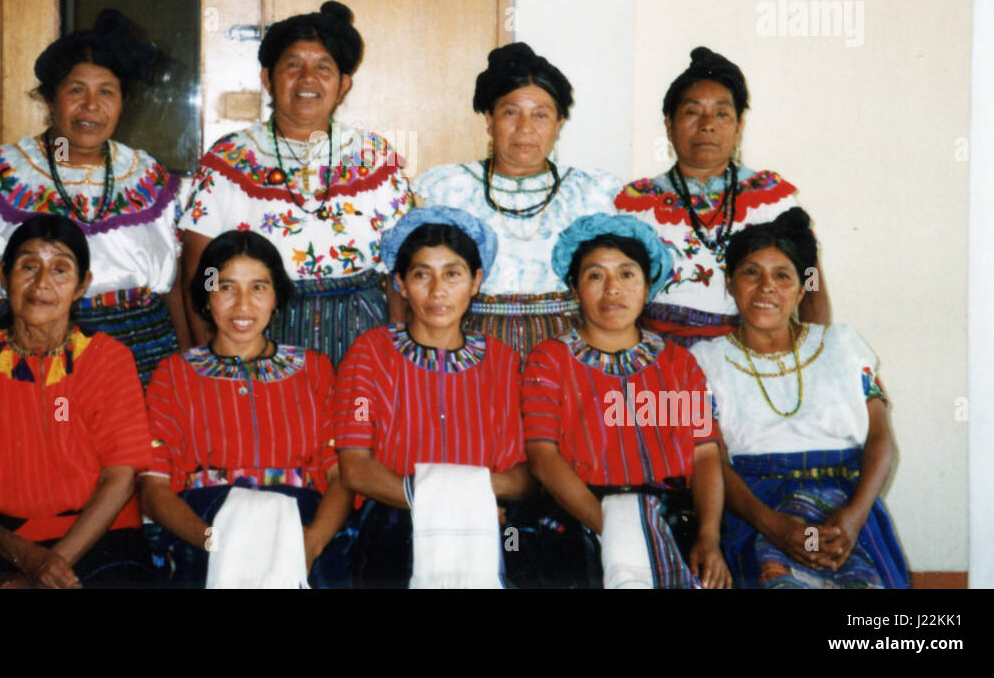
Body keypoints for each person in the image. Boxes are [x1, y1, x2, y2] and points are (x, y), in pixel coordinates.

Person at [0, 9, 189, 386]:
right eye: (76, 90)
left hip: (143, 359)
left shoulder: (149, 178)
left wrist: (189, 370)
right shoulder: (4, 174)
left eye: (106, 92)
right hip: (33, 352)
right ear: (49, 99)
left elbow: (176, 285)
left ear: (123, 101)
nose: (91, 106)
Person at [0, 215, 154, 588]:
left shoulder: (110, 360)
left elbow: (121, 478)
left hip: (103, 540)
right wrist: (27, 558)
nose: (42, 283)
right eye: (28, 266)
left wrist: (46, 571)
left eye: (60, 269)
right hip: (3, 546)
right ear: (2, 275)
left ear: (82, 286)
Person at [180, 1, 414, 367]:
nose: (307, 79)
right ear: (267, 78)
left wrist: (399, 355)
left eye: (323, 67)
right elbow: (200, 270)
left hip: (362, 334)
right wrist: (210, 351)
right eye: (293, 65)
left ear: (344, 85)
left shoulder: (375, 157)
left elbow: (401, 270)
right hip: (260, 332)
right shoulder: (229, 159)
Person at [691, 208, 909, 588]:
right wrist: (770, 523)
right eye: (750, 272)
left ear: (802, 285)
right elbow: (710, 459)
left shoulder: (841, 344)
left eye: (782, 276)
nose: (766, 287)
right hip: (758, 508)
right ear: (729, 281)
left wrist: (854, 518)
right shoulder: (703, 361)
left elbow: (880, 439)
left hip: (845, 504)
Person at [522, 213, 730, 589]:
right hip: (579, 518)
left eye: (627, 274)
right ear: (574, 288)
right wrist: (618, 528)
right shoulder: (549, 360)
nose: (612, 289)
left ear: (648, 286)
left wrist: (709, 537)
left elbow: (704, 453)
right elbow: (543, 456)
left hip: (671, 516)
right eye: (595, 276)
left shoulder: (679, 363)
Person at [140, 229, 352, 587]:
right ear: (206, 297)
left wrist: (312, 542)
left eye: (258, 287)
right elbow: (154, 488)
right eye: (225, 287)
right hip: (204, 528)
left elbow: (340, 477)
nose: (242, 305)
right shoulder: (174, 374)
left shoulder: (315, 370)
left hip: (302, 526)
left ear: (276, 297)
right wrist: (214, 541)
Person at [333, 206, 530, 588]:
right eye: (422, 275)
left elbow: (523, 475)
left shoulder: (502, 361)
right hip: (396, 517)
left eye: (453, 274)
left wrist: (467, 502)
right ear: (401, 284)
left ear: (476, 281)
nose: (438, 291)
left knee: (525, 552)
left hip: (491, 521)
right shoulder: (370, 354)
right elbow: (355, 467)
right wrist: (450, 501)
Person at [414, 43, 621, 359]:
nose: (525, 128)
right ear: (488, 118)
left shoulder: (588, 192)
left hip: (569, 351)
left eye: (541, 115)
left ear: (559, 123)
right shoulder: (451, 189)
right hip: (472, 347)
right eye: (511, 112)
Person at [614, 46, 830, 349]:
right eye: (692, 112)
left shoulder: (770, 199)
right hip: (659, 357)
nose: (707, 124)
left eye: (721, 113)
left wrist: (815, 348)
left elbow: (811, 277)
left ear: (739, 125)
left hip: (749, 353)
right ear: (669, 123)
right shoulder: (637, 204)